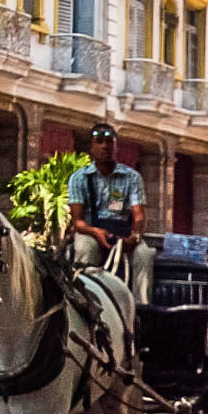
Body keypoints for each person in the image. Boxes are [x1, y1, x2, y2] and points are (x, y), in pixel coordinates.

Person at [68, 122, 154, 305]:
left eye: (109, 141)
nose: (104, 146)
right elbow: (77, 222)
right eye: (99, 141)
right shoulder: (79, 178)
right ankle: (83, 301)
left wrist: (134, 237)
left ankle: (141, 309)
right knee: (84, 248)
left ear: (116, 146)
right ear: (92, 146)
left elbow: (138, 216)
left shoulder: (132, 177)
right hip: (91, 232)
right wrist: (96, 233)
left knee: (144, 255)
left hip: (122, 232)